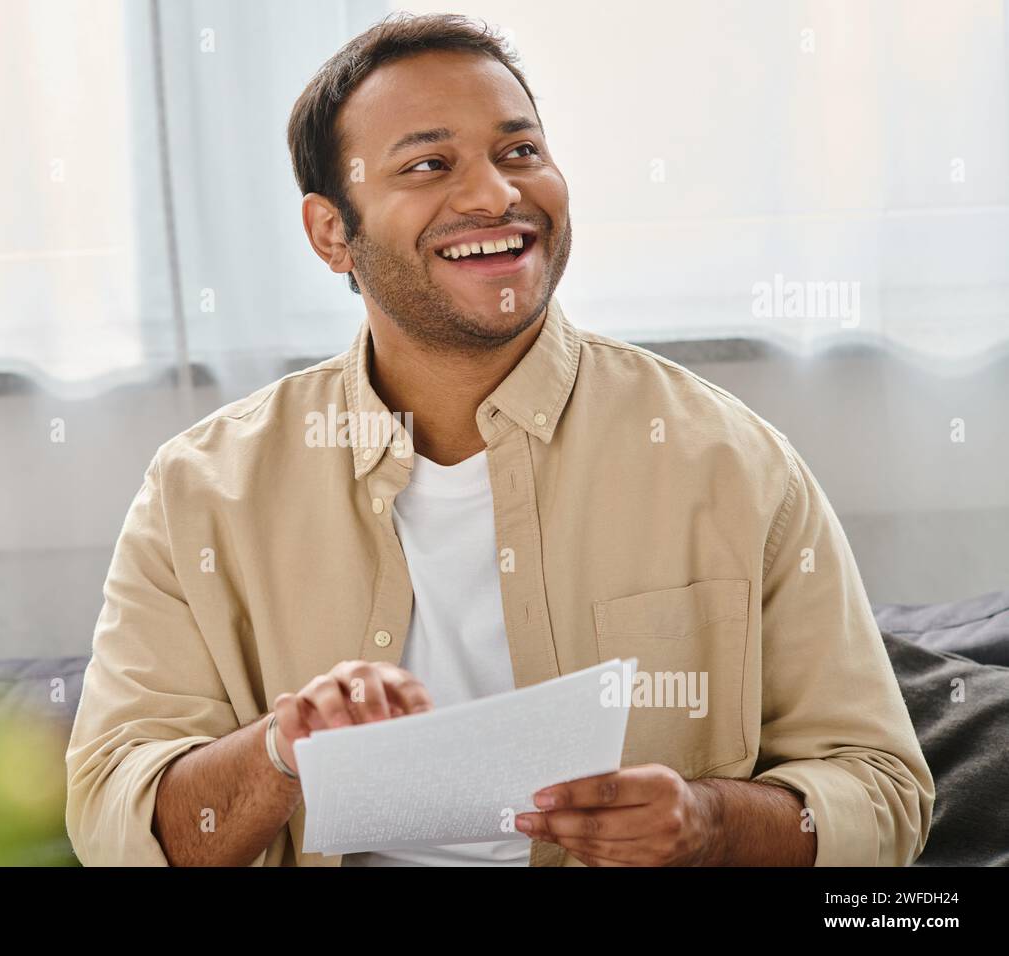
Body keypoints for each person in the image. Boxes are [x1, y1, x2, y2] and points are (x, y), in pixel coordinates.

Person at [65, 12, 933, 867]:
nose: (494, 195)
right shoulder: (199, 492)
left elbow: (884, 791)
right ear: (333, 233)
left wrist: (708, 824)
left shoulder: (734, 463)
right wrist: (282, 752)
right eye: (429, 164)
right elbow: (115, 822)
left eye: (519, 151)